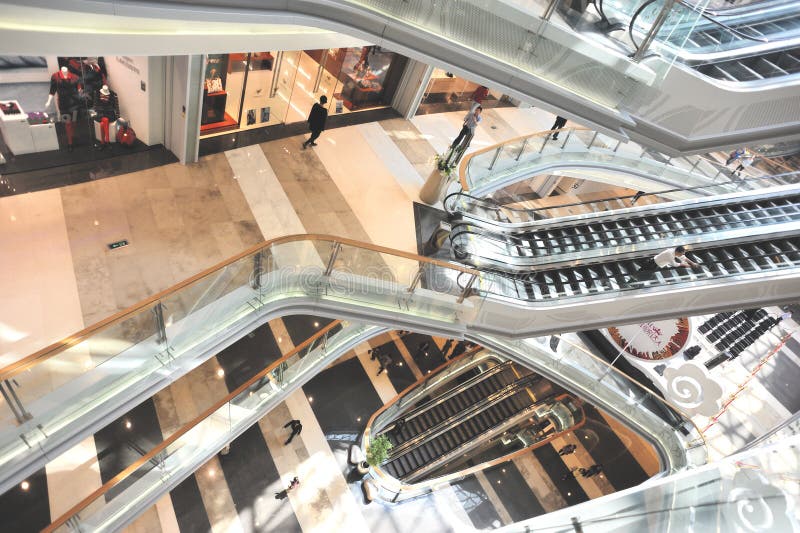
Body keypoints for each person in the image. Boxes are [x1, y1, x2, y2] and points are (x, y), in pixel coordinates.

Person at [631, 245, 700, 283]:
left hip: (653, 263)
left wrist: (692, 263)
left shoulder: (674, 252)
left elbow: (683, 257)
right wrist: (684, 265)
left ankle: (633, 283)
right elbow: (674, 264)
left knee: (641, 274)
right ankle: (635, 285)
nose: (683, 254)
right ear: (678, 252)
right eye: (682, 253)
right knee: (644, 275)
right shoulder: (670, 254)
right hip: (652, 264)